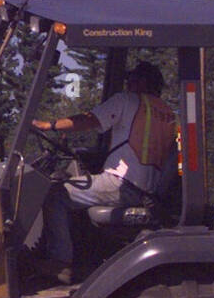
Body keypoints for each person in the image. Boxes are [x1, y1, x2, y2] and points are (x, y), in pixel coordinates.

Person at [30, 61, 176, 284]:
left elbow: (89, 120)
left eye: (133, 79)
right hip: (149, 192)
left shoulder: (126, 100)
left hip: (122, 184)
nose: (128, 83)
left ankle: (60, 262)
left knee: (54, 194)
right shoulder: (166, 113)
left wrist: (48, 125)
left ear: (144, 82)